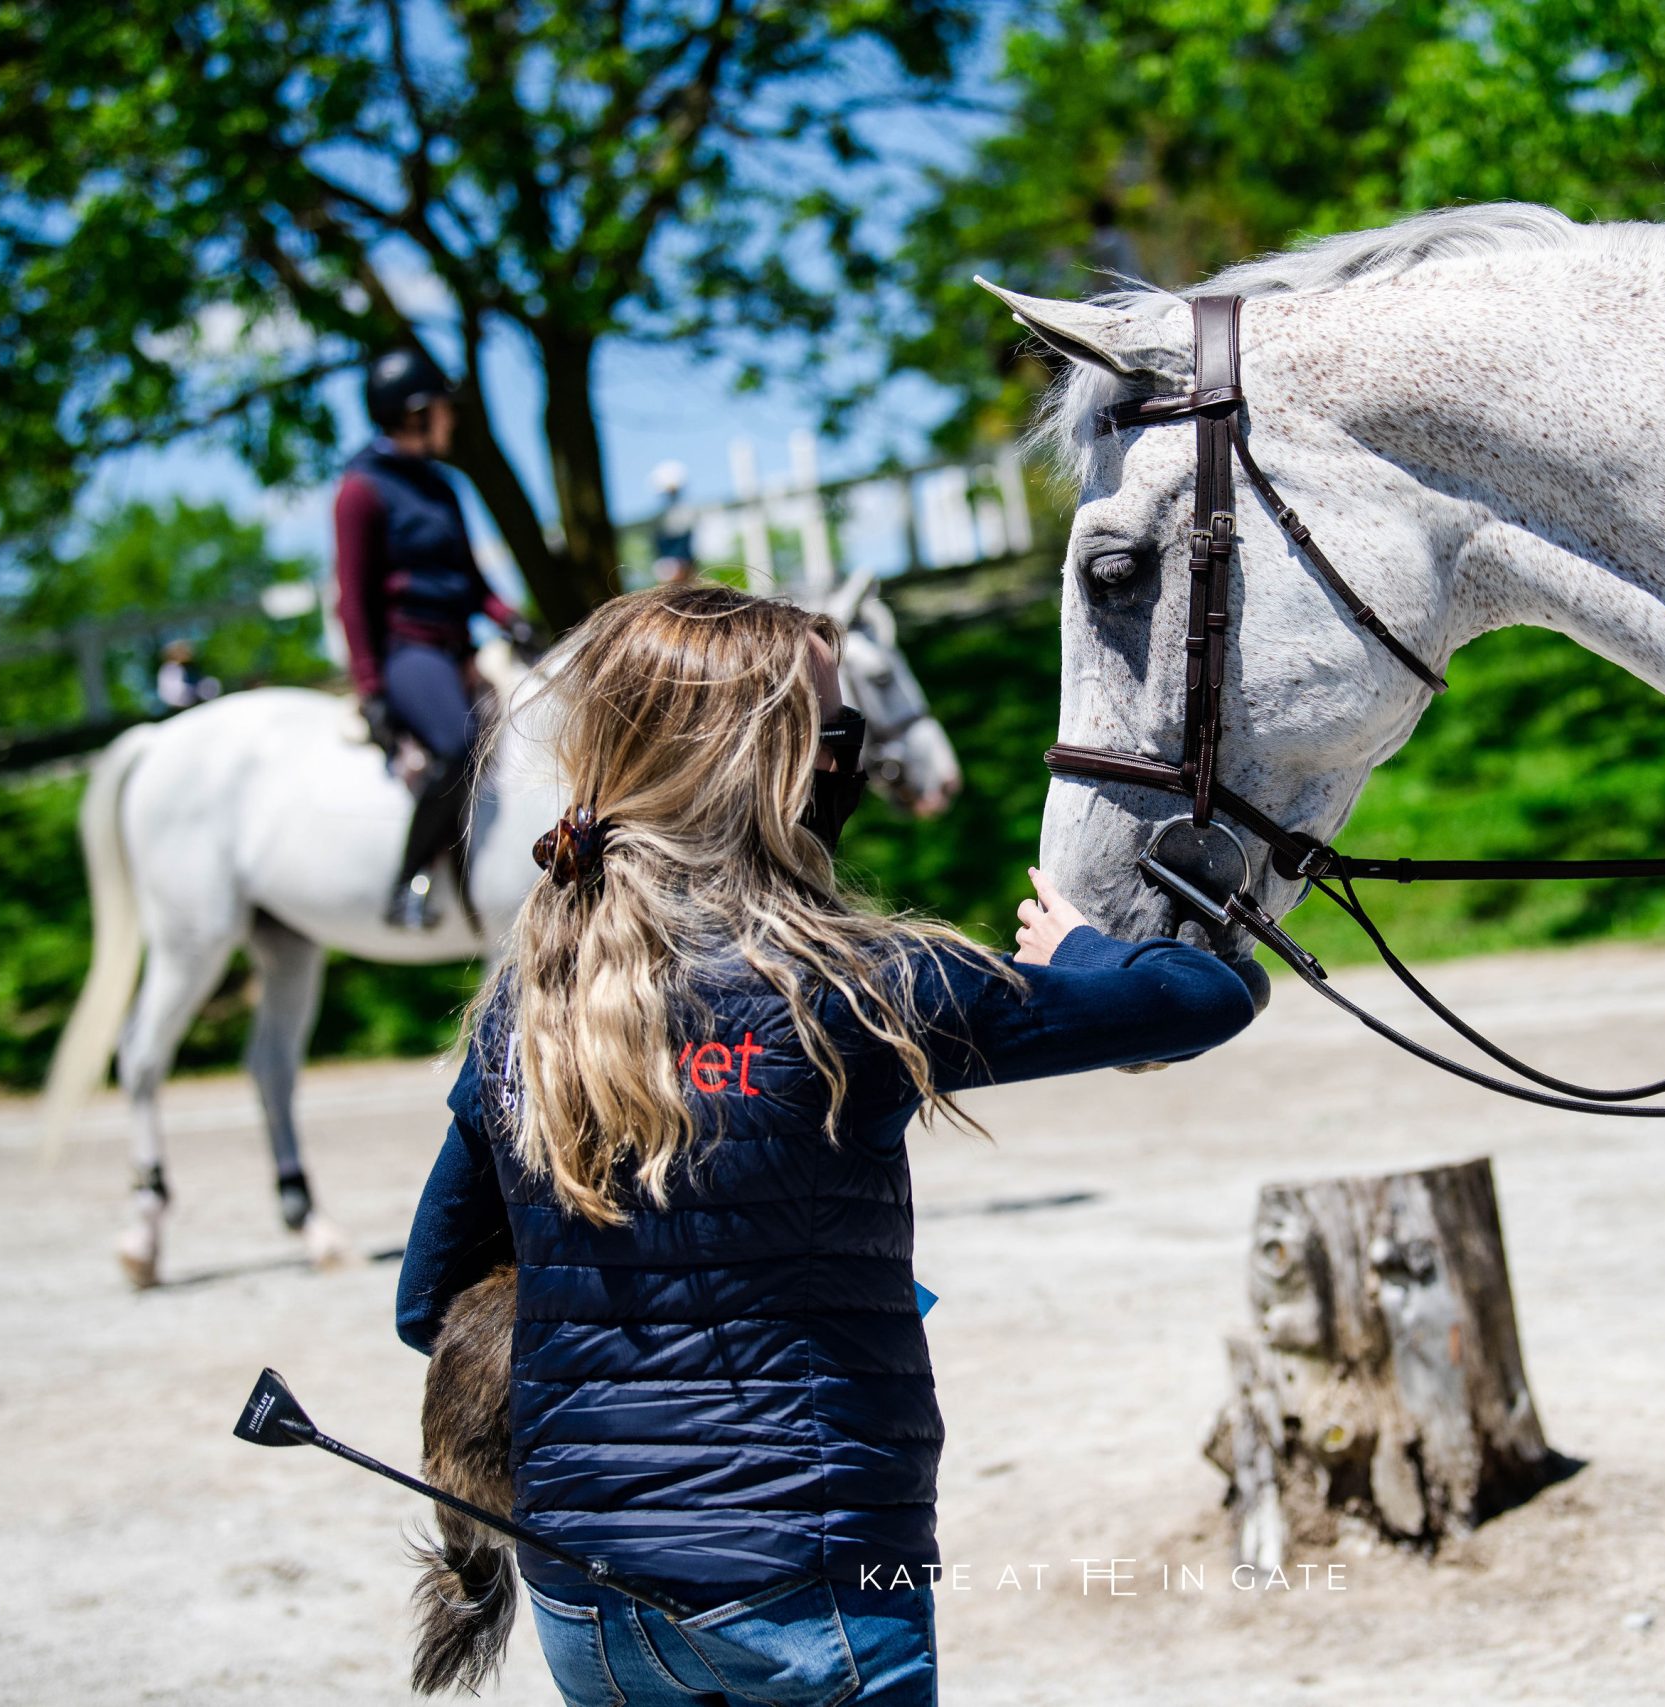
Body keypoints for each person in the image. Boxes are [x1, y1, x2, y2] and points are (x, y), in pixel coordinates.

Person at [393, 582, 1257, 1706]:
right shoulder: (856, 990)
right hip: (814, 1582)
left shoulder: (528, 1010)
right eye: (835, 737)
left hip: (584, 1596)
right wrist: (1080, 944)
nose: (847, 765)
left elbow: (431, 1304)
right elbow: (1203, 994)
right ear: (781, 765)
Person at [335, 346, 537, 929]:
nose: (452, 419)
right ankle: (409, 882)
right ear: (415, 413)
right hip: (409, 651)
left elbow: (473, 581)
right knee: (458, 744)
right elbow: (353, 598)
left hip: (462, 648)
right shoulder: (360, 490)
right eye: (443, 410)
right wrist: (371, 688)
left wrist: (508, 616)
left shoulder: (444, 485)